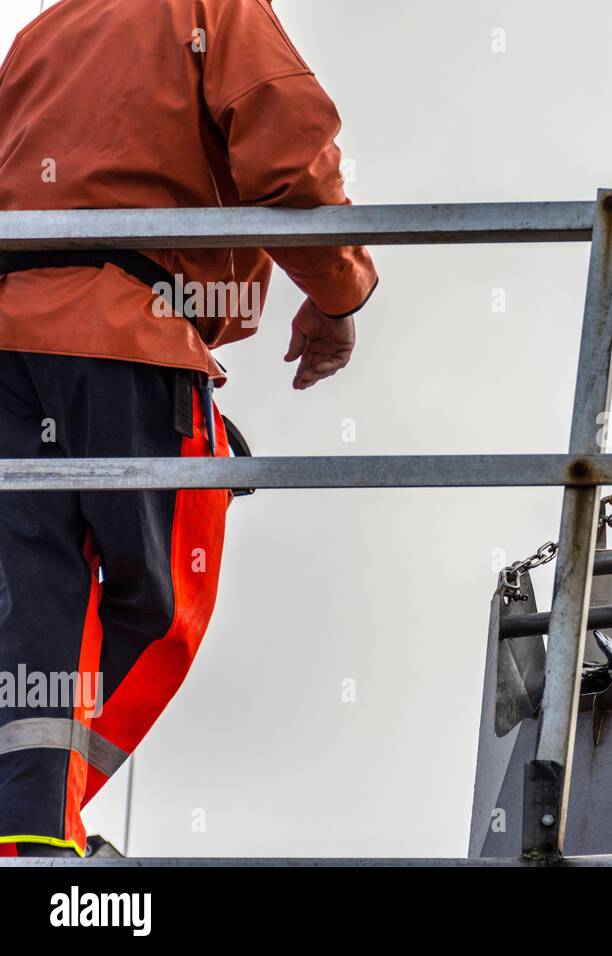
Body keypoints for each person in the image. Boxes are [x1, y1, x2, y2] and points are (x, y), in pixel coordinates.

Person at [0, 0, 377, 857]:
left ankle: (26, 831)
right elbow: (291, 161)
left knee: (38, 610)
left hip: (9, 344)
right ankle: (29, 822)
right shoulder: (211, 7)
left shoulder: (43, 31)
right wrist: (339, 293)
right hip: (126, 329)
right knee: (164, 593)